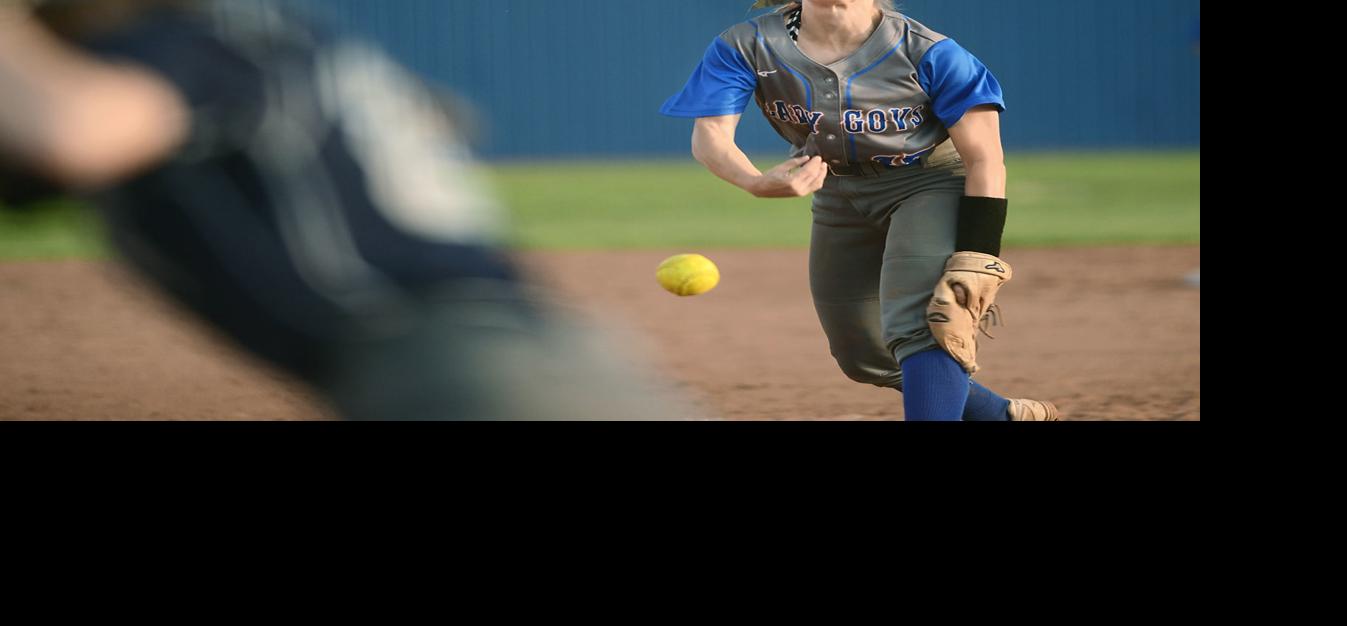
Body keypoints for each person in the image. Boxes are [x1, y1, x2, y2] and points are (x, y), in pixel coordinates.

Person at [0, 0, 691, 420]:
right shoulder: (241, 50)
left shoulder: (176, 48)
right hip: (482, 359)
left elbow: (73, 131)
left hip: (465, 366)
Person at [661, 0, 1059, 421]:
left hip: (929, 182)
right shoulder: (747, 46)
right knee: (861, 352)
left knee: (927, 323)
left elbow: (985, 160)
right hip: (838, 191)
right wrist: (754, 182)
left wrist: (978, 254)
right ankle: (997, 414)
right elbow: (710, 138)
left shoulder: (930, 52)